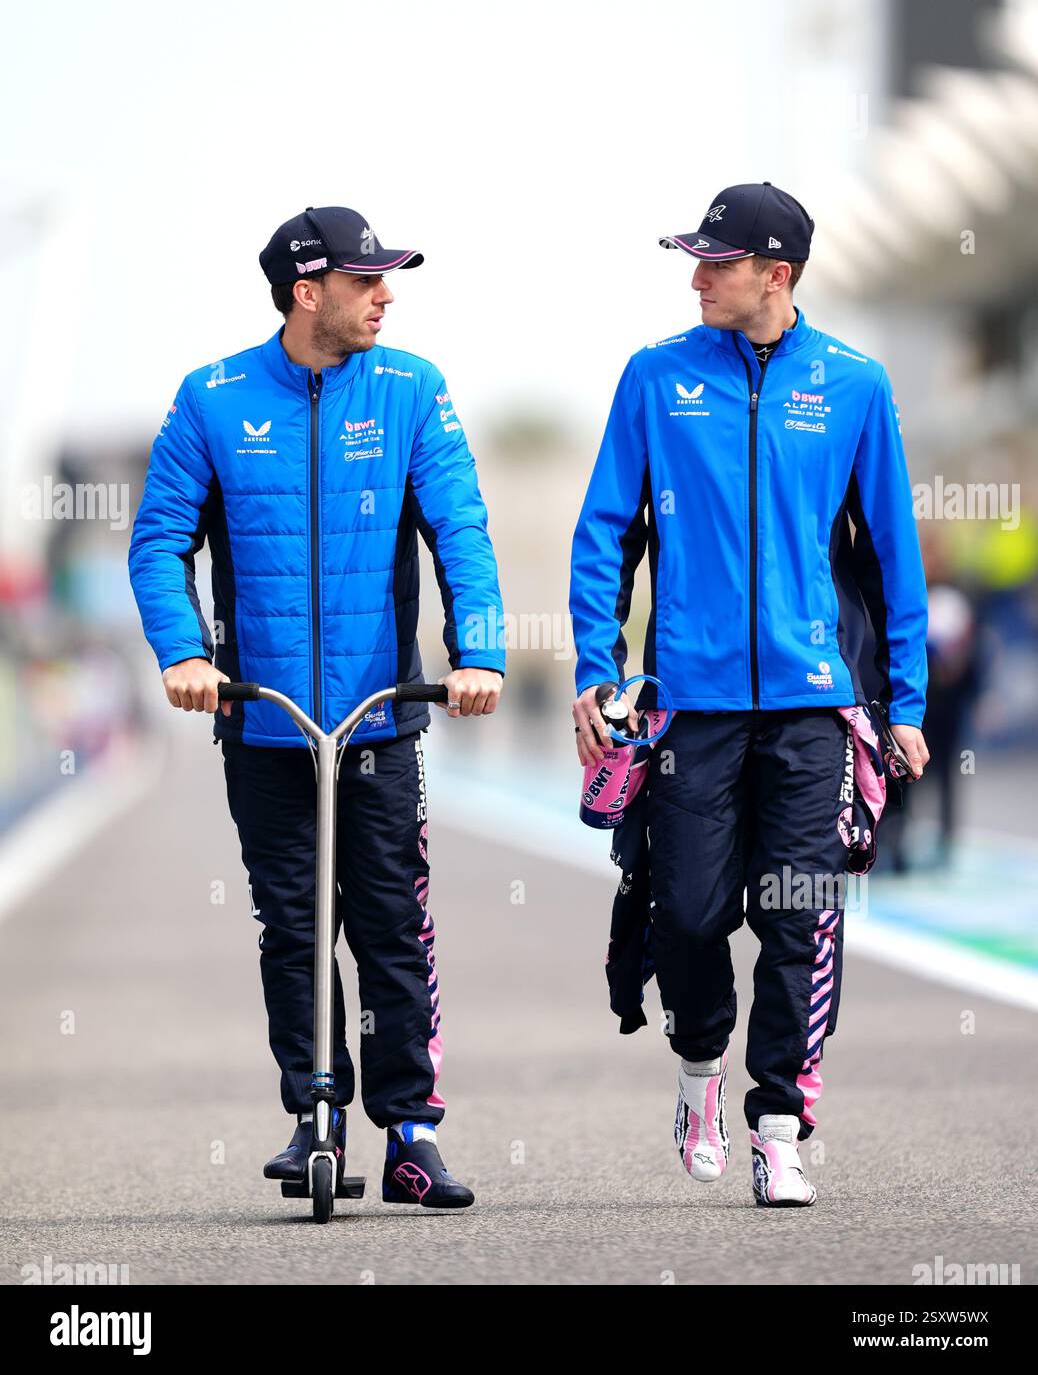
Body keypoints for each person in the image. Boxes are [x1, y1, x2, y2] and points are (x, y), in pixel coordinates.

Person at [128, 205, 505, 1209]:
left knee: (389, 920)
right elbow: (160, 542)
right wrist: (186, 654)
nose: (386, 294)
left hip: (380, 717)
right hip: (263, 720)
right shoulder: (210, 398)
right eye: (365, 278)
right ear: (307, 291)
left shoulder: (413, 390)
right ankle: (315, 1110)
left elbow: (459, 529)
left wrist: (480, 656)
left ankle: (413, 1130)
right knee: (292, 925)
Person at [569, 182, 929, 1207]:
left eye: (715, 263)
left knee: (800, 911)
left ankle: (780, 1121)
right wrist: (600, 665)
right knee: (684, 913)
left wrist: (904, 704)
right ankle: (698, 1069)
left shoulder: (856, 384)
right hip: (692, 699)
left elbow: (895, 556)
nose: (696, 278)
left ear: (776, 276)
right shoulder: (654, 379)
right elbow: (606, 533)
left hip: (817, 702)